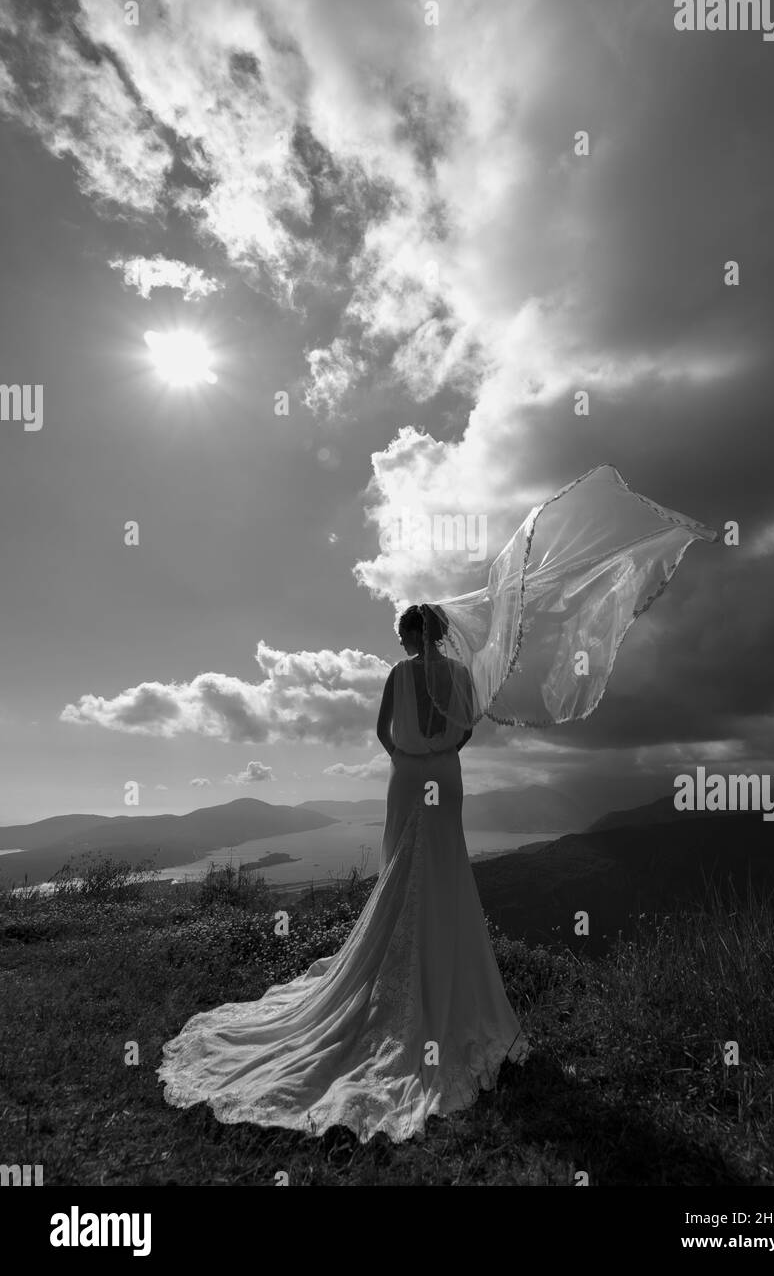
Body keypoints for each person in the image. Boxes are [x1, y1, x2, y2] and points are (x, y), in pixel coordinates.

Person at [158, 464, 716, 1141]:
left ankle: (391, 983)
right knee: (443, 869)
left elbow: (381, 732)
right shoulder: (456, 674)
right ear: (442, 633)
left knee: (402, 869)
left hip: (408, 775)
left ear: (405, 635)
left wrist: (408, 757)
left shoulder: (398, 674)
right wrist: (442, 753)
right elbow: (467, 727)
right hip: (445, 778)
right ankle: (447, 988)